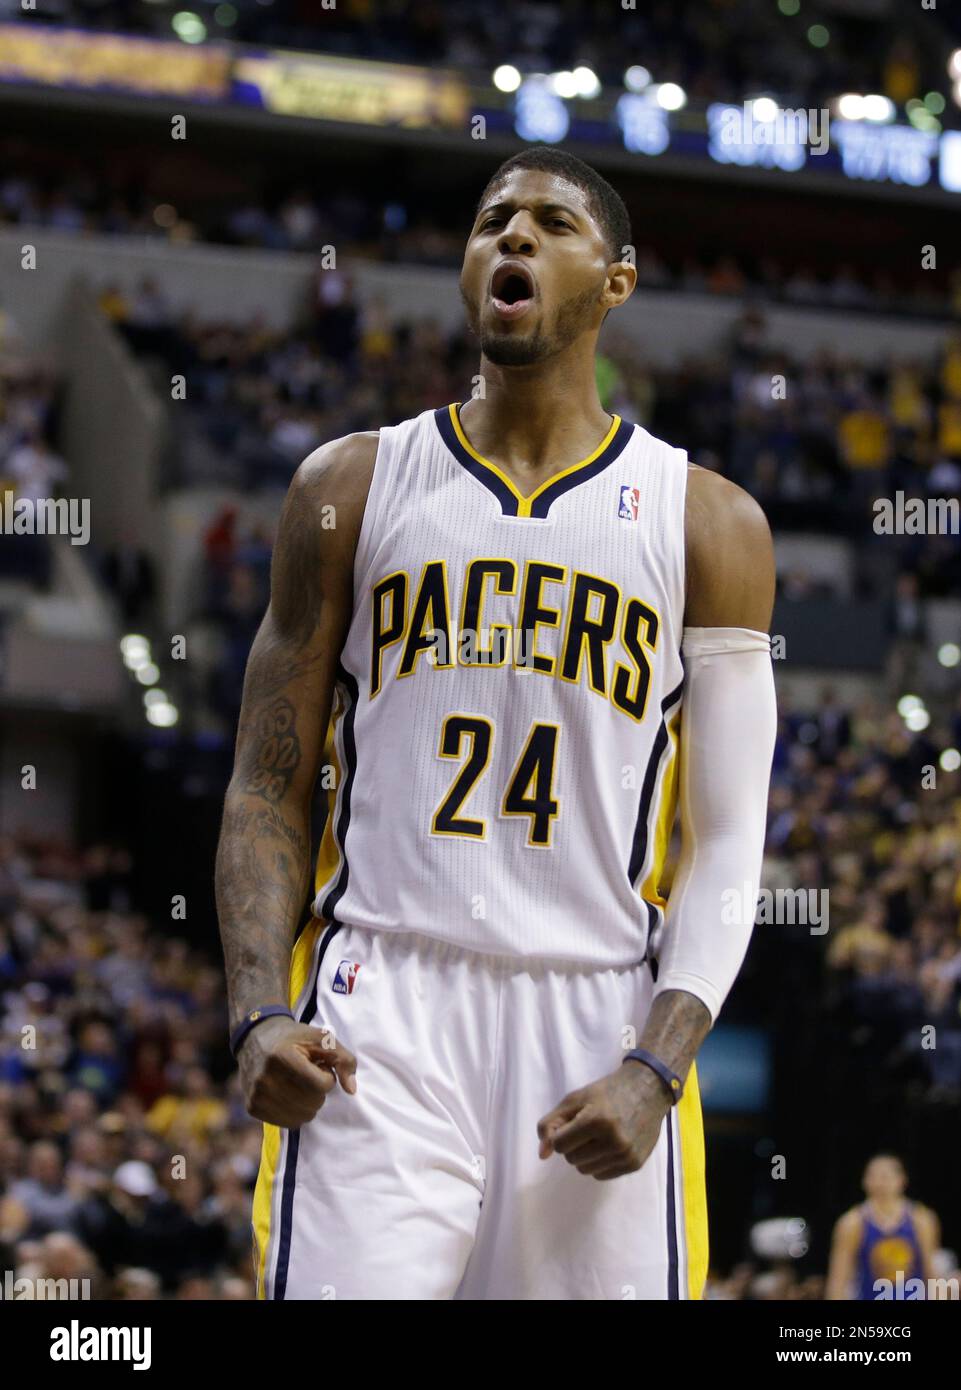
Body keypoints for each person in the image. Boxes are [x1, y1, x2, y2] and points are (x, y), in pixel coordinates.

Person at [216, 147, 777, 1301]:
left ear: (614, 282)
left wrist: (660, 1067)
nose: (511, 239)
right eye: (491, 221)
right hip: (380, 1007)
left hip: (598, 1014)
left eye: (550, 224)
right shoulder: (349, 486)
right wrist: (258, 1010)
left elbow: (724, 841)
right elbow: (268, 782)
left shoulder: (709, 522)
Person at [825, 1154, 940, 1299]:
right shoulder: (851, 1223)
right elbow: (838, 1280)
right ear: (864, 1181)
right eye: (873, 1177)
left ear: (902, 1180)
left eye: (886, 1177)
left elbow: (932, 1273)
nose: (880, 1183)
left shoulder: (922, 1219)